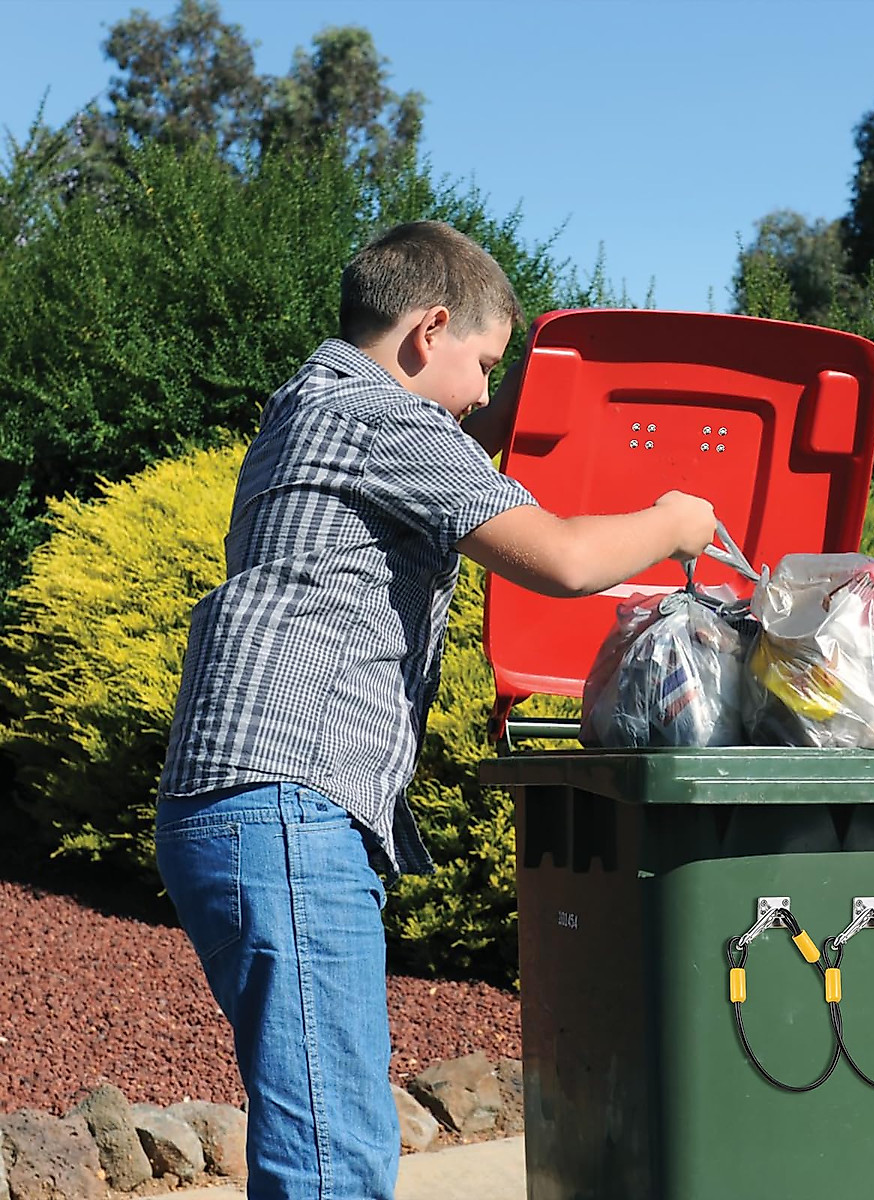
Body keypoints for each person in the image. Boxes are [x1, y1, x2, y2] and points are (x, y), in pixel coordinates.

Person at [154, 220, 716, 1200]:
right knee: (335, 1153)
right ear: (431, 329)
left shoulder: (316, 403)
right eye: (486, 365)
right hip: (292, 801)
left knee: (320, 1123)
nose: (487, 395)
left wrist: (539, 409)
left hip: (250, 804)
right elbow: (569, 561)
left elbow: (460, 444)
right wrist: (675, 522)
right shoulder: (381, 421)